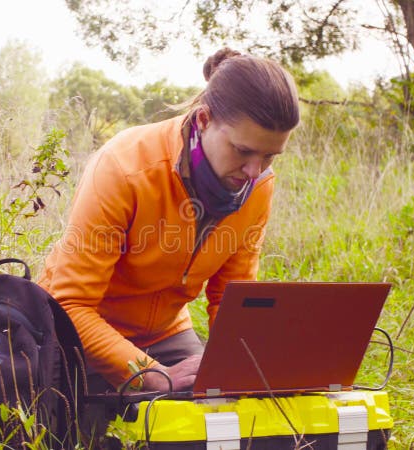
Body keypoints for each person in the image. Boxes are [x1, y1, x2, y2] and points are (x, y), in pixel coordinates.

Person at [38, 48, 300, 397]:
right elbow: (71, 306)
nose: (255, 171)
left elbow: (232, 299)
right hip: (77, 333)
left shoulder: (259, 186)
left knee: (221, 409)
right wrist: (153, 375)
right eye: (243, 151)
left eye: (269, 156)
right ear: (204, 120)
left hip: (166, 333)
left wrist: (245, 367)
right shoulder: (123, 167)